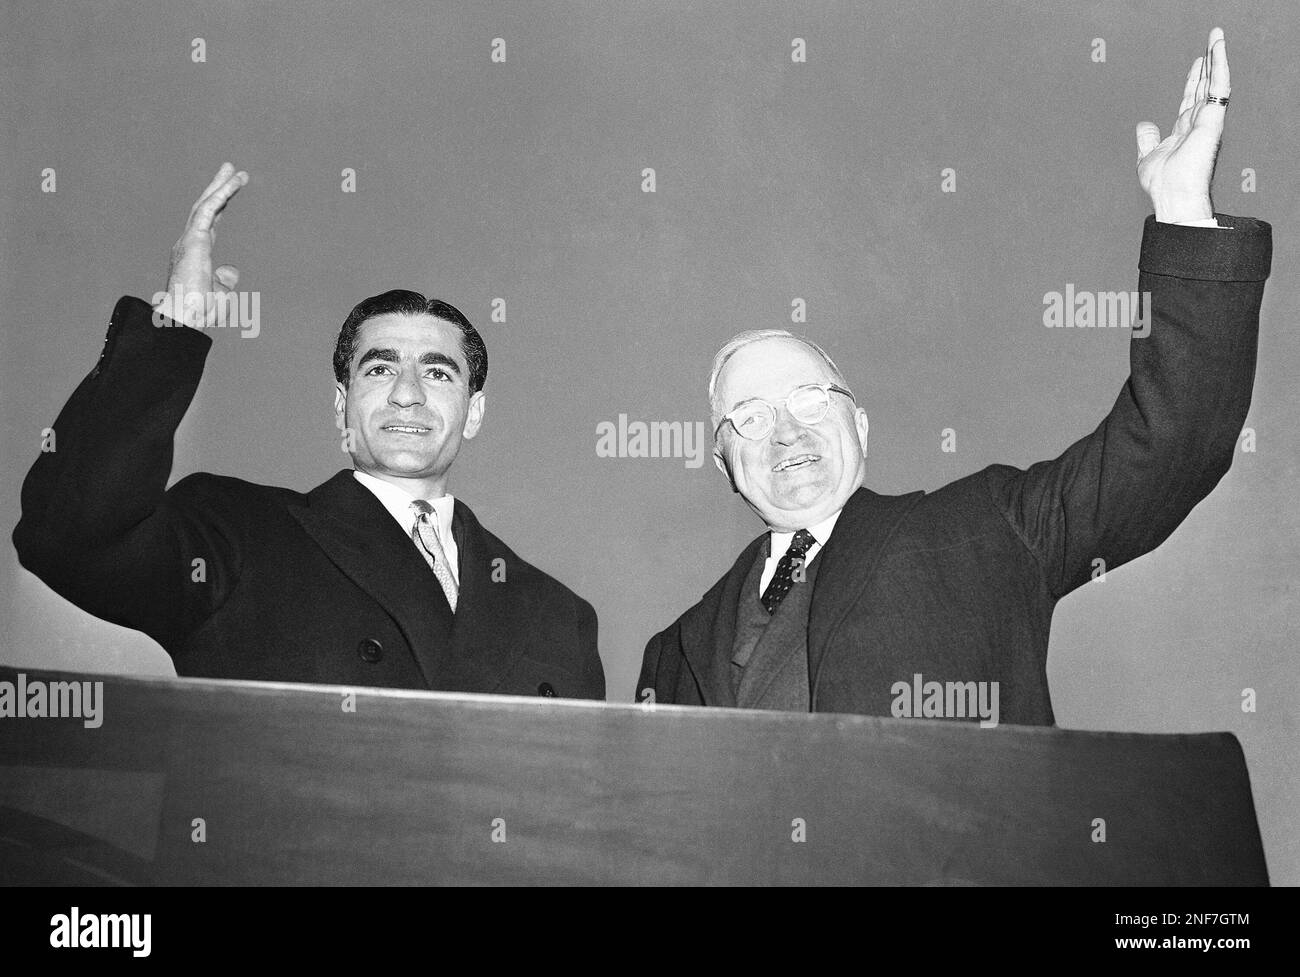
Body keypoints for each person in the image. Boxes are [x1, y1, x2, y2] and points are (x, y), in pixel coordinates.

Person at [637, 28, 1269, 724]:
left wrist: (1182, 212)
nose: (787, 430)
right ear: (723, 460)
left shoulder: (988, 531)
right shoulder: (675, 652)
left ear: (861, 425)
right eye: (751, 417)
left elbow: (1171, 444)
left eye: (810, 400)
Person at [14, 164, 604, 699]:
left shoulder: (556, 614)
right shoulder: (237, 538)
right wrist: (176, 324)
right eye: (379, 367)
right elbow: (70, 536)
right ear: (342, 405)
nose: (407, 391)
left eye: (436, 372)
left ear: (474, 412)